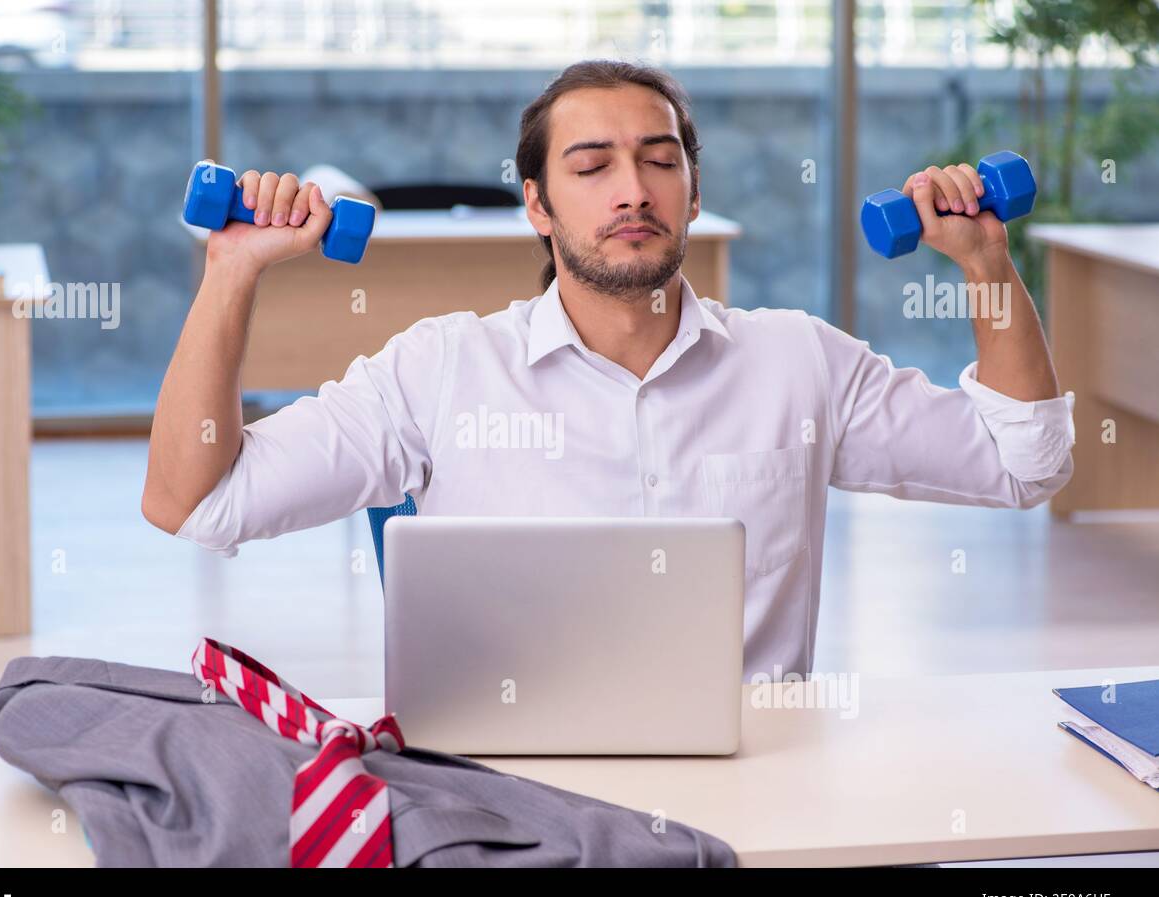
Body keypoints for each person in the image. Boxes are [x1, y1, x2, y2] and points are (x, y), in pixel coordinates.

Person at [141, 59, 1075, 680]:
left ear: (694, 193)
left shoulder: (800, 361)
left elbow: (1020, 463)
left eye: (658, 161)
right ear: (538, 207)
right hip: (510, 802)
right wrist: (231, 271)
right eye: (592, 167)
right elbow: (195, 501)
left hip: (757, 790)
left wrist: (987, 264)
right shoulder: (440, 368)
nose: (632, 189)